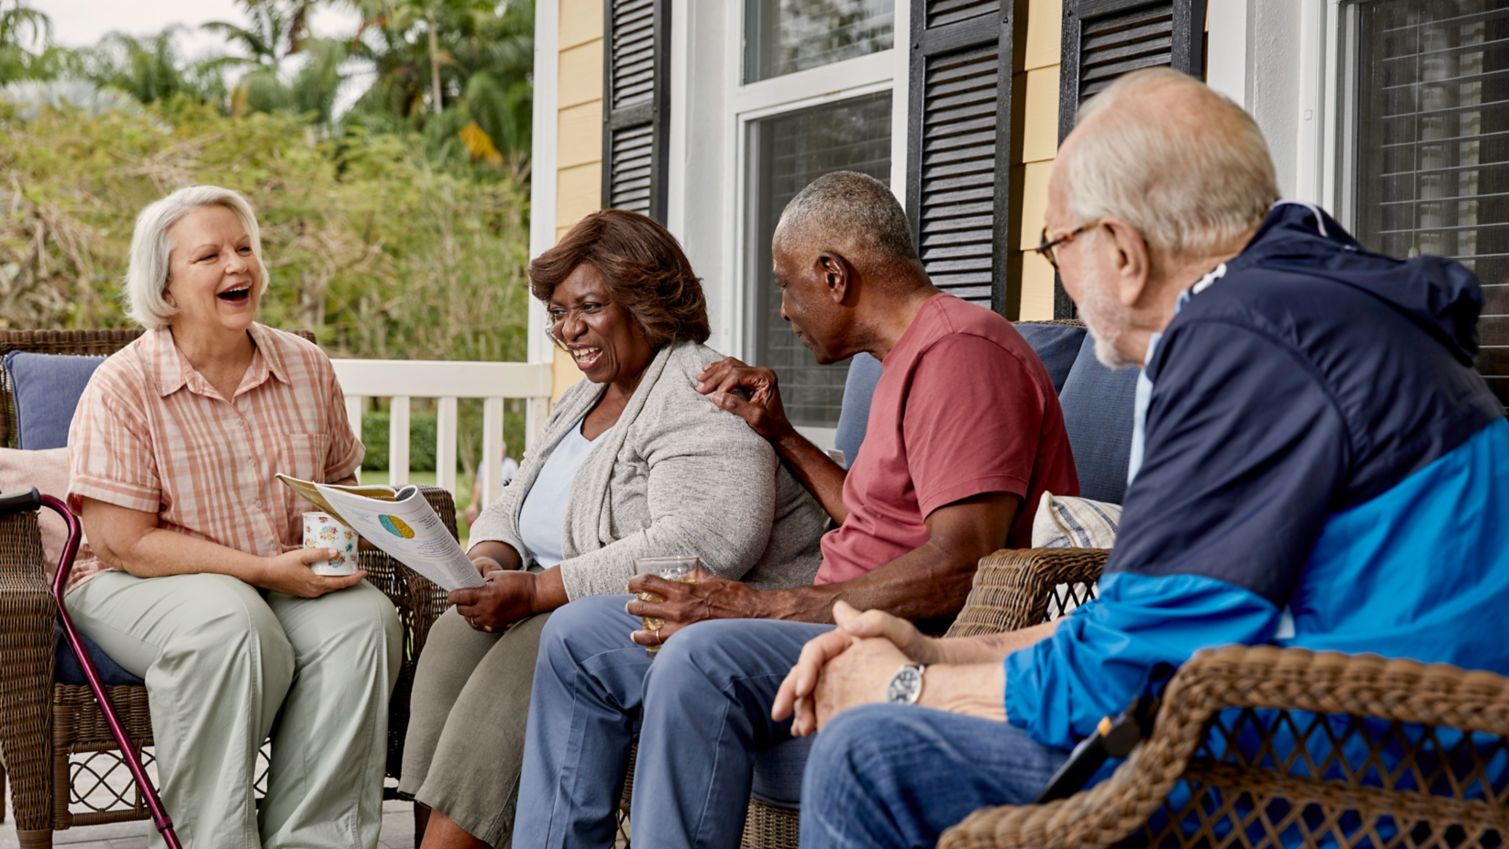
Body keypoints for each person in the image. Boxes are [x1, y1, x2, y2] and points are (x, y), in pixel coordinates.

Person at [785, 67, 1509, 848]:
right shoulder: (1300, 310)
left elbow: (1125, 675)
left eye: (1054, 243)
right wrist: (936, 648)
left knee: (872, 754)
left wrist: (898, 686)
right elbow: (1149, 622)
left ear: (1122, 250)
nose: (1058, 272)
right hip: (1380, 739)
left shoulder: (1246, 346)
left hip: (1372, 781)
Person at [512, 171, 1080, 848]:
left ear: (834, 275)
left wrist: (758, 606)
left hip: (895, 634)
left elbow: (960, 561)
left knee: (698, 657)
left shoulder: (962, 354)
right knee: (579, 634)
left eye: (788, 283)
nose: (783, 308)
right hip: (831, 611)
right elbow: (875, 517)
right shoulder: (900, 359)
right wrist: (779, 432)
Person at [400, 209, 826, 849]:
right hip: (551, 595)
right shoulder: (583, 396)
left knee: (529, 658)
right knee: (450, 642)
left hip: (650, 614)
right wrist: (491, 553)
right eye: (559, 312)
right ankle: (422, 828)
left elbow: (707, 539)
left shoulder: (698, 391)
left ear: (647, 302)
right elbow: (516, 496)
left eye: (589, 307)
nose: (569, 329)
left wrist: (541, 589)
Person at [65, 185, 400, 849]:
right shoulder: (123, 384)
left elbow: (337, 485)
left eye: (244, 248)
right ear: (164, 285)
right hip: (131, 582)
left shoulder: (304, 365)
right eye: (209, 255)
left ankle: (315, 840)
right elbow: (122, 542)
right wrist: (258, 569)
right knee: (232, 623)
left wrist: (336, 546)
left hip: (277, 576)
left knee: (366, 622)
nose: (236, 265)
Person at [463, 444, 518, 527]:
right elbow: (479, 484)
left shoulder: (511, 465)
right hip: (488, 505)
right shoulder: (483, 464)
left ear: (503, 451)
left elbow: (515, 486)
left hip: (505, 507)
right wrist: (473, 504)